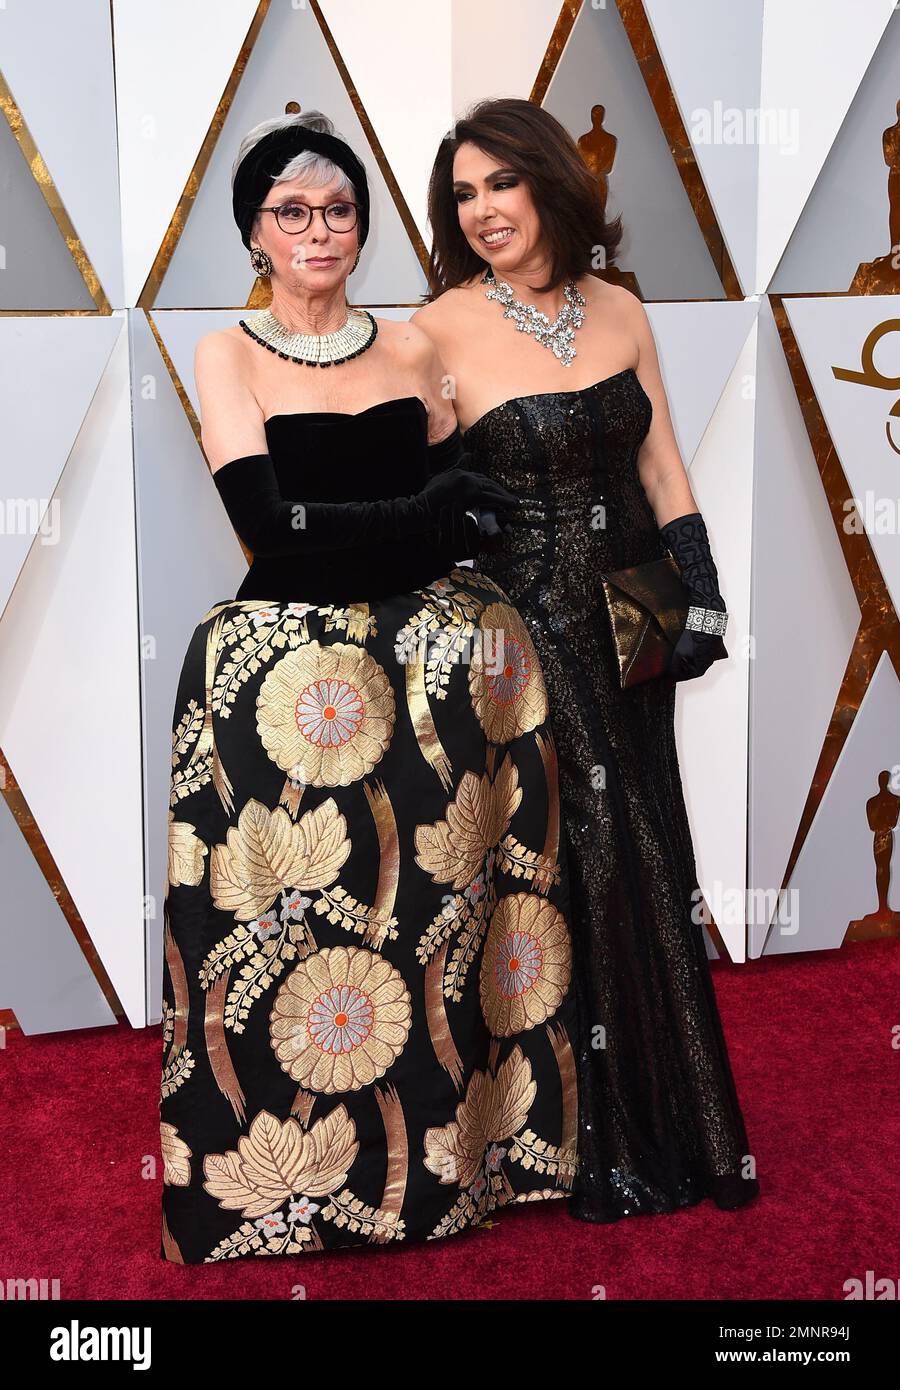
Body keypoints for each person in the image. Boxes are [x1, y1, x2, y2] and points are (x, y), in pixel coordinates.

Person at [158, 110, 580, 1264]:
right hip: (290, 676)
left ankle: (458, 1165)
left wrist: (452, 521)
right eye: (291, 212)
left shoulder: (410, 350)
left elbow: (467, 514)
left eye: (339, 210)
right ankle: (280, 1188)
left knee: (434, 924)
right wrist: (422, 517)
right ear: (255, 230)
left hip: (434, 670)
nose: (319, 230)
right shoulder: (226, 354)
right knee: (299, 935)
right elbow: (270, 529)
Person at [413, 97, 760, 1223]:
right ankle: (607, 1143)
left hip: (633, 614)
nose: (481, 212)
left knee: (657, 835)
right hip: (529, 628)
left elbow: (662, 464)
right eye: (462, 195)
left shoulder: (619, 305)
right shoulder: (437, 329)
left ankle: (691, 1124)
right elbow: (421, 499)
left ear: (549, 183)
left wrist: (701, 593)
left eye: (499, 185)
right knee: (605, 853)